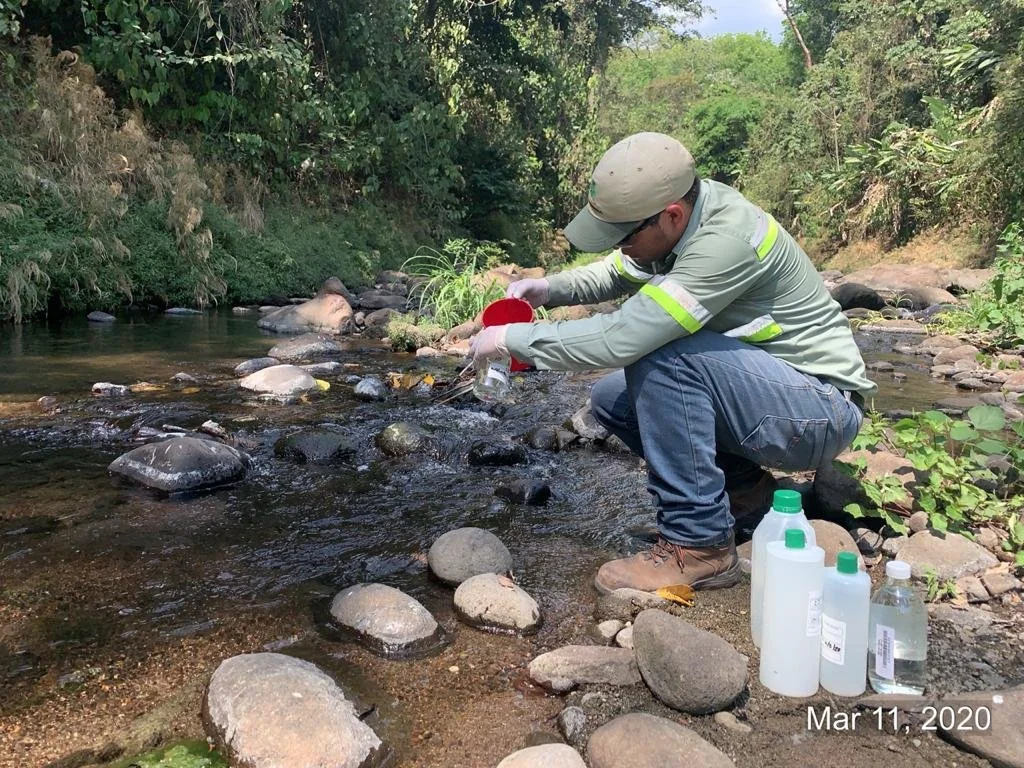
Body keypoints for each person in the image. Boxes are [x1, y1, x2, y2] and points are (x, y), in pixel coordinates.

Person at [470, 132, 875, 594]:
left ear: (671, 216)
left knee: (662, 351)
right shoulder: (684, 219)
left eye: (622, 236)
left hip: (819, 409)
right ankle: (745, 496)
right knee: (611, 399)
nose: (618, 247)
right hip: (773, 396)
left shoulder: (726, 241)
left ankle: (698, 544)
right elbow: (620, 270)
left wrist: (512, 339)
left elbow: (625, 336)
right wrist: (550, 289)